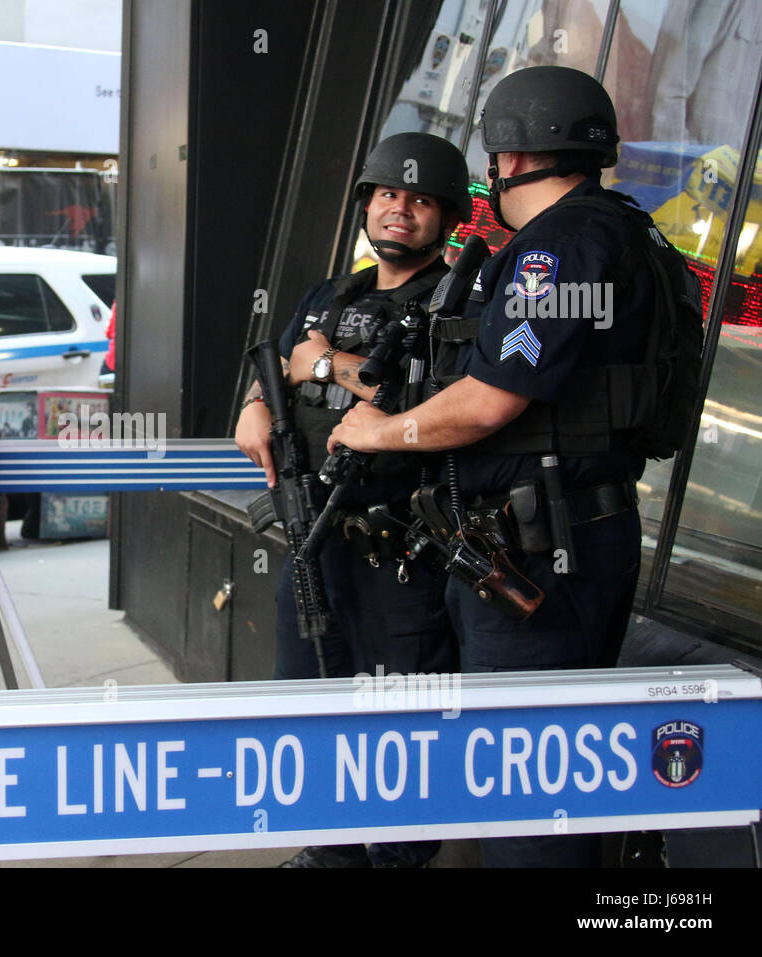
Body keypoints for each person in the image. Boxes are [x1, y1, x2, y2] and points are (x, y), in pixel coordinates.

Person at [329, 67, 691, 866]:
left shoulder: (558, 247)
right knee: (558, 763)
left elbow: (493, 401)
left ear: (510, 154)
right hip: (562, 533)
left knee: (529, 777)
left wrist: (378, 432)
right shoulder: (622, 229)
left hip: (538, 549)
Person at [235, 132, 470, 867]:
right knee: (307, 705)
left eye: (421, 199)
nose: (401, 209)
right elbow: (277, 363)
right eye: (388, 195)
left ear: (448, 217)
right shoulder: (332, 292)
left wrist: (327, 363)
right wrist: (251, 403)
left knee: (403, 719)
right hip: (313, 536)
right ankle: (330, 853)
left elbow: (444, 401)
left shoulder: (456, 299)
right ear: (366, 204)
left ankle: (397, 858)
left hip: (401, 552)